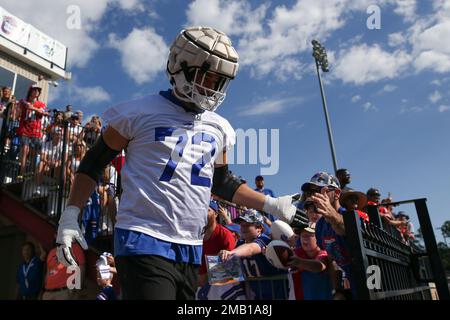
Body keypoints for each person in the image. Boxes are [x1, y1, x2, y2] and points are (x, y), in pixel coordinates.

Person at [55, 26, 308, 300]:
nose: (210, 87)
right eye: (205, 76)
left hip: (190, 245)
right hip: (142, 237)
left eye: (218, 81)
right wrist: (71, 214)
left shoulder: (220, 128)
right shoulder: (137, 112)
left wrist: (271, 205)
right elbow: (94, 161)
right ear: (179, 66)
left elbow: (222, 182)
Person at [301, 172, 355, 298]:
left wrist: (332, 215)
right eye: (310, 192)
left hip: (371, 277)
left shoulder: (351, 216)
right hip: (348, 282)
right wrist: (337, 290)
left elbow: (345, 228)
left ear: (336, 193)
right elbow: (332, 260)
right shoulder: (320, 226)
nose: (314, 196)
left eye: (320, 190)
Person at [219, 209, 290, 300]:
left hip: (277, 294)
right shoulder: (240, 243)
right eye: (241, 225)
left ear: (259, 228)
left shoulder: (265, 240)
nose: (243, 228)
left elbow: (251, 248)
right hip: (256, 295)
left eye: (247, 225)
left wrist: (231, 253)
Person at [196, 200, 243, 300]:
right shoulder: (197, 236)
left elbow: (232, 268)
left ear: (216, 214)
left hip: (225, 290)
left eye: (207, 210)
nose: (203, 214)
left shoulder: (224, 234)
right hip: (204, 288)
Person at [289, 224, 332, 300]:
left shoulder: (324, 252)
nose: (304, 239)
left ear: (318, 237)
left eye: (309, 235)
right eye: (302, 236)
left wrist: (299, 262)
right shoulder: (296, 252)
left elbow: (320, 266)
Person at [17, 84, 48, 179]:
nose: (37, 92)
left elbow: (41, 111)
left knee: (34, 154)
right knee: (25, 150)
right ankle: (21, 173)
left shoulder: (42, 104)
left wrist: (39, 110)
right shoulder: (23, 101)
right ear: (30, 91)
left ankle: (29, 173)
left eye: (38, 90)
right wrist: (37, 110)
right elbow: (28, 106)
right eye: (35, 90)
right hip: (24, 130)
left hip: (36, 132)